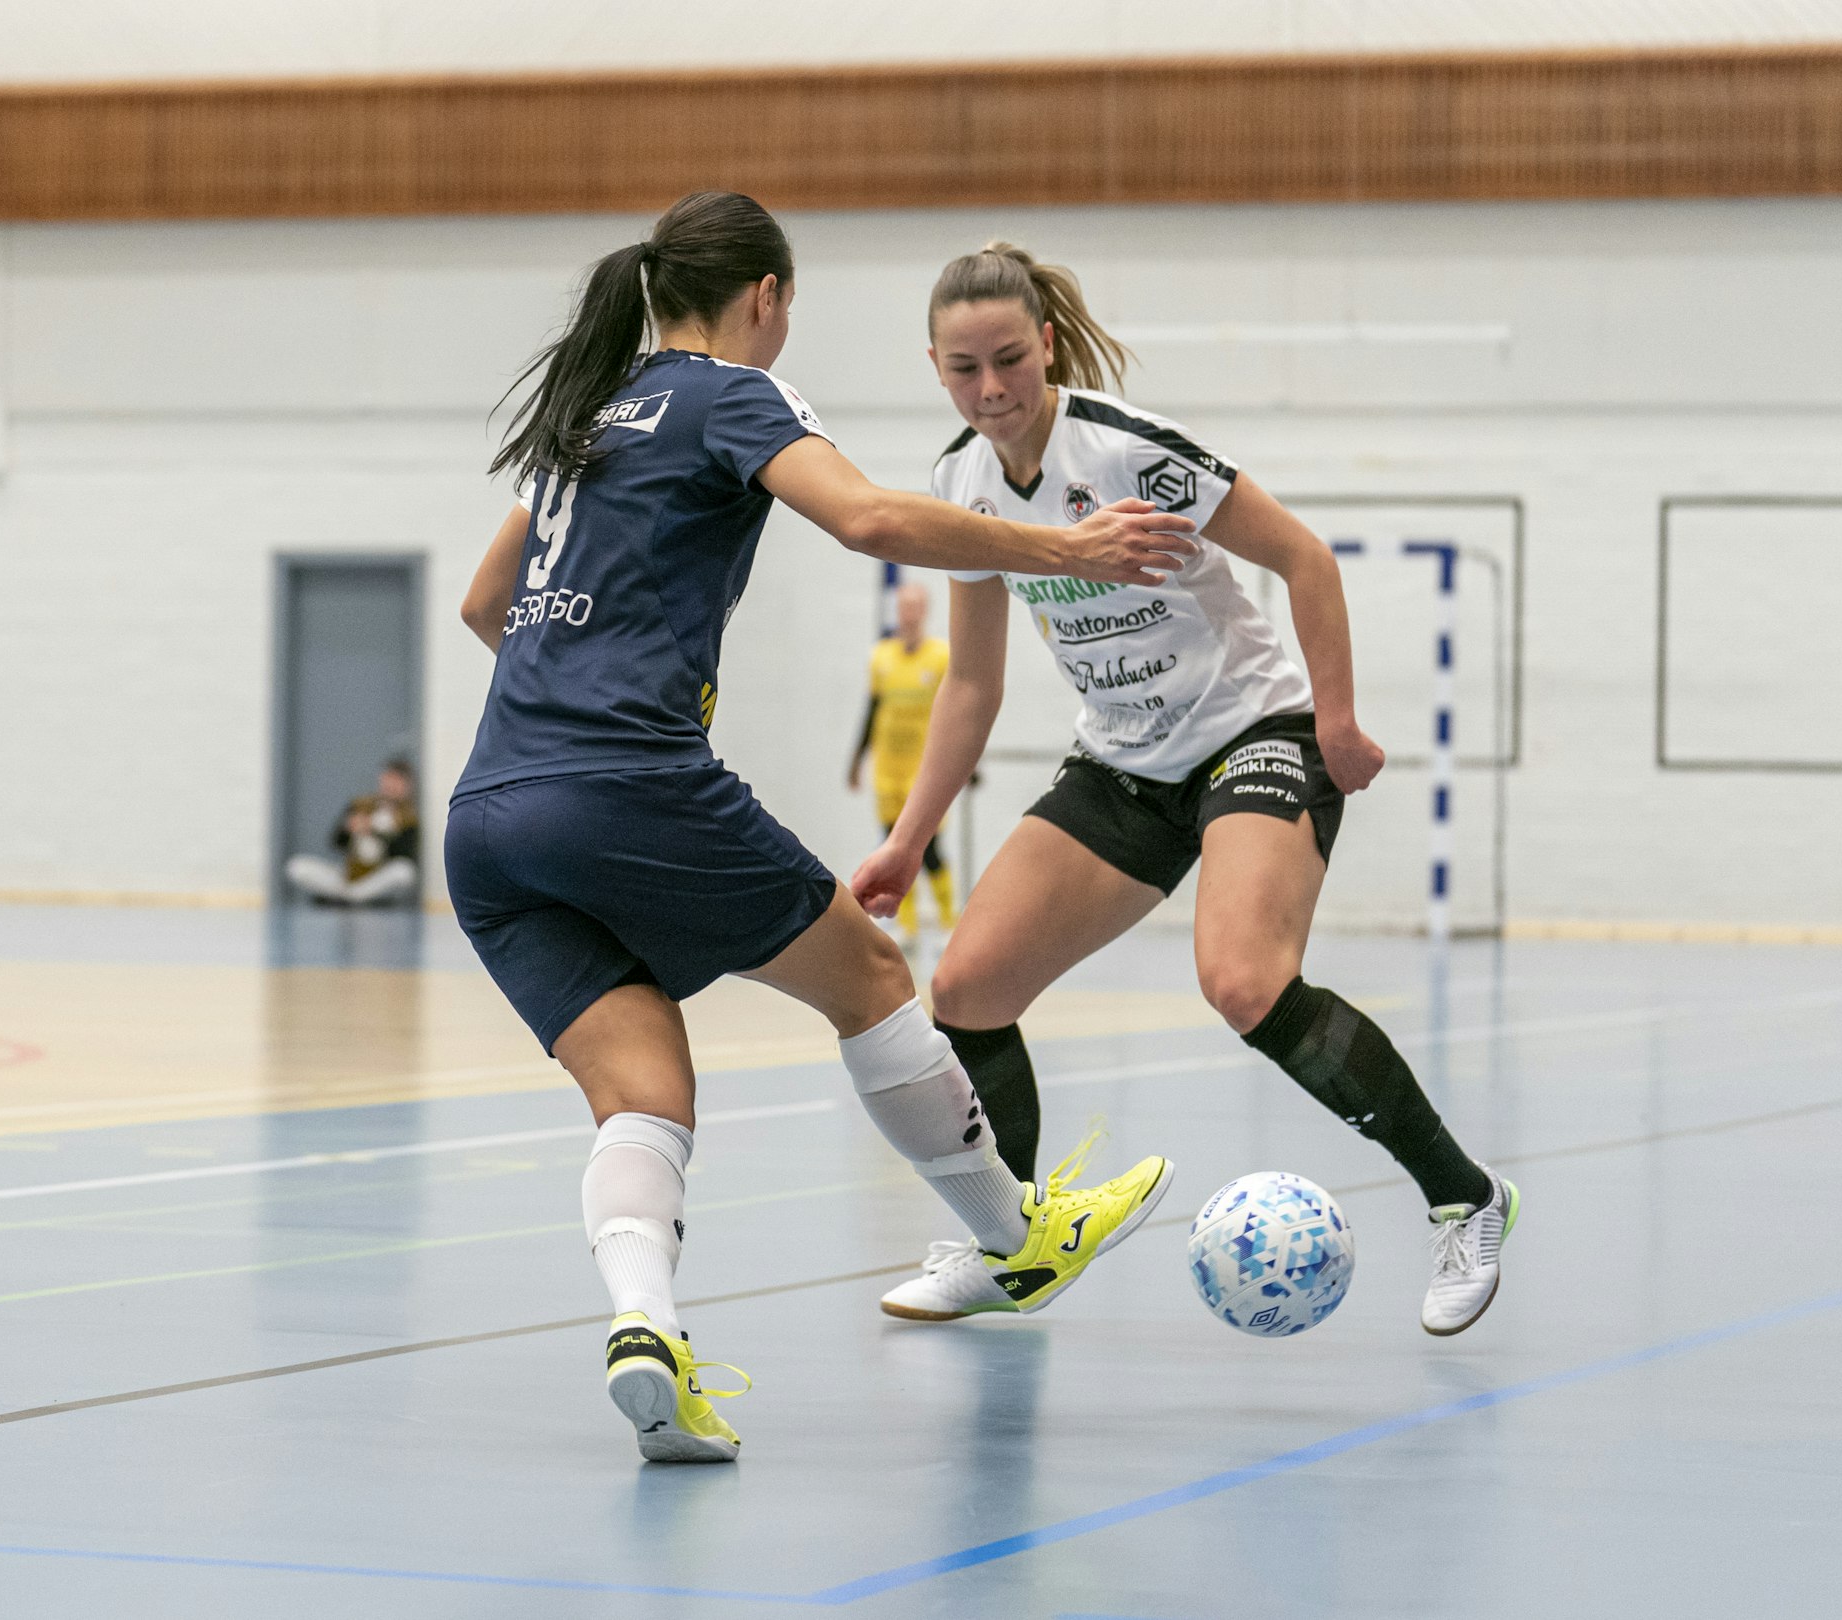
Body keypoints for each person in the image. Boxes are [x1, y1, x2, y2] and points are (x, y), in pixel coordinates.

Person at [445, 194, 1198, 1465]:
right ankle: (1017, 1241)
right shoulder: (732, 395)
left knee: (645, 1098)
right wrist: (1062, 545)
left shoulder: (584, 414)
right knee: (873, 979)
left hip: (491, 815)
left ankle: (647, 1336)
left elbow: (484, 606)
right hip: (628, 782)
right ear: (770, 297)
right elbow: (868, 520)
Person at [853, 242, 1520, 1337]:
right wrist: (905, 837)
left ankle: (1465, 1195)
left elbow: (1306, 557)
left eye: (1010, 360)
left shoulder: (1121, 451)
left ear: (1049, 344)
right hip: (1123, 760)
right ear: (935, 367)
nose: (992, 390)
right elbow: (973, 681)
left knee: (1244, 982)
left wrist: (1339, 722)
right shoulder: (961, 482)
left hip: (1253, 734)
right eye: (964, 369)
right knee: (967, 989)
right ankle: (1014, 1243)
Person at [848, 580, 957, 941]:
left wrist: (964, 766)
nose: (907, 614)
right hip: (888, 771)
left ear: (924, 611)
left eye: (914, 607)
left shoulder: (940, 657)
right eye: (902, 607)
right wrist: (856, 761)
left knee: (929, 850)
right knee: (890, 846)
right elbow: (872, 708)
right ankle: (906, 925)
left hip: (924, 771)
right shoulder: (881, 657)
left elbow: (958, 715)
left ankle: (947, 921)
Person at [284, 759, 420, 904]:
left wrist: (373, 832)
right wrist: (348, 829)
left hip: (377, 877)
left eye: (397, 781)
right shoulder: (360, 805)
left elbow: (404, 855)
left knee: (405, 872)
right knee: (296, 867)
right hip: (348, 875)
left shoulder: (409, 818)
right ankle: (352, 897)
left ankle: (348, 897)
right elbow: (336, 842)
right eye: (389, 779)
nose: (391, 785)